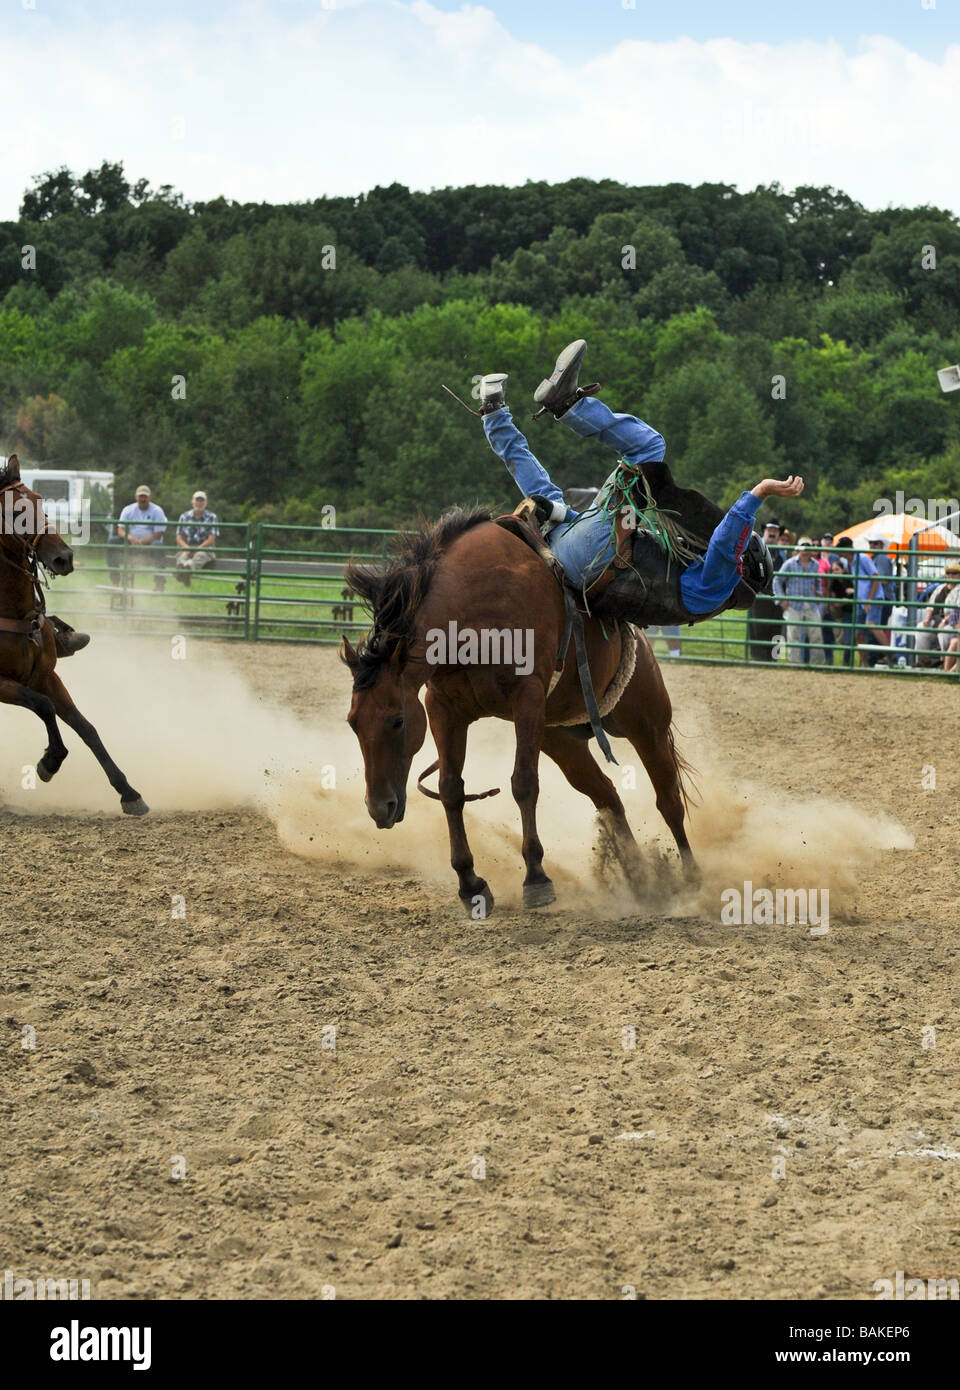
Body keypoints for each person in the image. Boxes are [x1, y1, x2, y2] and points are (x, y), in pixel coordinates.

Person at [477, 340, 789, 632]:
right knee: (545, 493)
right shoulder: (701, 600)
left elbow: (725, 544)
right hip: (578, 564)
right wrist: (561, 513)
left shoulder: (721, 583)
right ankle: (495, 413)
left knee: (650, 449)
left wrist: (758, 493)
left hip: (598, 558)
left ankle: (567, 405)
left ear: (743, 565)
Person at [773, 540, 826, 664]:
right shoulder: (790, 563)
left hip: (810, 603)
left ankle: (818, 663)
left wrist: (818, 593)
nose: (805, 550)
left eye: (808, 547)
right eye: (803, 547)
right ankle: (794, 663)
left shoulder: (815, 564)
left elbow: (817, 580)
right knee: (793, 636)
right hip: (793, 604)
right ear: (798, 548)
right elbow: (777, 580)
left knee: (816, 634)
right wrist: (781, 599)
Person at [748, 518, 788, 661]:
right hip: (759, 595)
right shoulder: (756, 548)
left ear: (778, 534)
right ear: (764, 532)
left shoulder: (783, 553)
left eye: (775, 531)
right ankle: (758, 658)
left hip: (776, 597)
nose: (772, 533)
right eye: (769, 530)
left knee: (776, 628)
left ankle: (774, 658)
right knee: (759, 627)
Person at [117, 485, 168, 592]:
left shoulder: (157, 511)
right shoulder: (128, 509)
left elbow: (158, 533)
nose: (143, 499)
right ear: (136, 497)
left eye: (145, 496)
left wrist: (141, 542)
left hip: (150, 545)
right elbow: (120, 530)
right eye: (141, 496)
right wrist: (130, 537)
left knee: (158, 546)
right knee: (112, 542)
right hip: (130, 543)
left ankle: (159, 583)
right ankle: (115, 580)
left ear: (149, 498)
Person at [175, 490, 219, 586]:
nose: (199, 503)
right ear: (192, 501)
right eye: (197, 500)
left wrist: (197, 548)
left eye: (201, 500)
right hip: (187, 547)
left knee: (200, 556)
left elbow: (211, 539)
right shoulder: (184, 516)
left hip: (205, 549)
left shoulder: (212, 517)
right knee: (182, 556)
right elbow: (178, 537)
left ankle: (186, 570)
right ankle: (183, 570)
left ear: (205, 503)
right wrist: (187, 548)